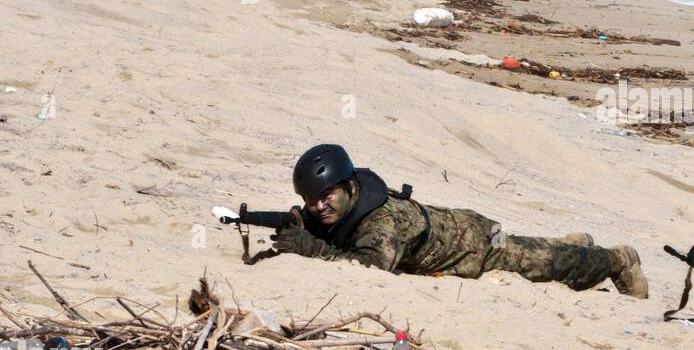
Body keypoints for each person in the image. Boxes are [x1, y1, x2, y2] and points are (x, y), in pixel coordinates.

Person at [266, 145, 648, 298]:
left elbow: (372, 267)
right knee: (540, 251)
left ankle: (617, 259)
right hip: (458, 236)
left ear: (349, 186)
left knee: (547, 264)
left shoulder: (382, 221)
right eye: (311, 201)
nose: (319, 207)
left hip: (476, 248)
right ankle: (574, 243)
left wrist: (311, 249)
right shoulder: (348, 207)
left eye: (326, 196)